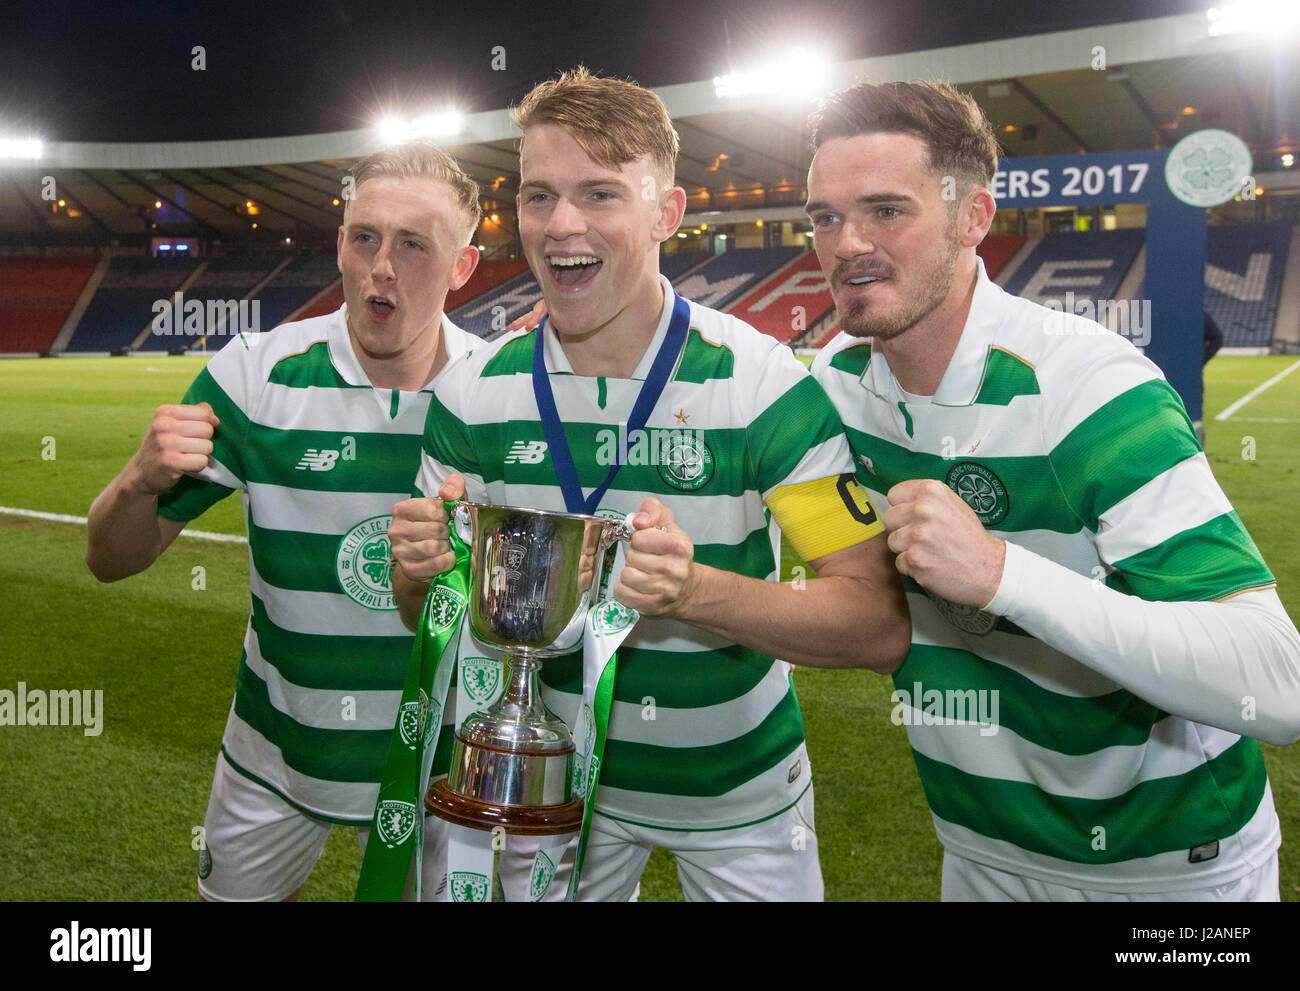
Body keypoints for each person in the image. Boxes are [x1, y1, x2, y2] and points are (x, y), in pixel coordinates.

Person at [388, 67, 911, 902]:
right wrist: (418, 570)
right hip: (547, 795)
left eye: (599, 195)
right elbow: (431, 614)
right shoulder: (471, 392)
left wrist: (693, 590)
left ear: (666, 213)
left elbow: (874, 622)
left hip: (742, 797)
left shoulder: (762, 383)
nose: (561, 226)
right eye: (538, 196)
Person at [804, 80, 1300, 900]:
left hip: (1168, 865)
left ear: (973, 219)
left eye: (886, 210)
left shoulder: (1087, 386)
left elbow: (1277, 681)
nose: (845, 242)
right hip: (978, 851)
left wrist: (1004, 574)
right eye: (824, 217)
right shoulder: (834, 388)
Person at [85, 142, 482, 901]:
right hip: (272, 752)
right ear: (339, 244)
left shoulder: (493, 393)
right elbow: (109, 560)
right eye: (364, 238)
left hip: (439, 763)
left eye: (412, 245)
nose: (381, 268)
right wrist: (138, 481)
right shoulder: (254, 373)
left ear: (463, 266)